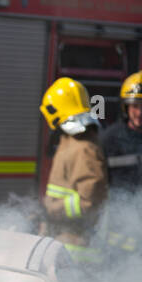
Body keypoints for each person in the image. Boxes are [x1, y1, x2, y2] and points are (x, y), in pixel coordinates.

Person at [40, 77, 109, 260]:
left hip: (77, 250)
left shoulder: (84, 147)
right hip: (62, 239)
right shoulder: (70, 141)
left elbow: (90, 200)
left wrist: (54, 209)